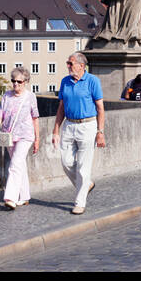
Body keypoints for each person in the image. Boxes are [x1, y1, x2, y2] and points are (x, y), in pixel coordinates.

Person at [52, 52, 105, 215]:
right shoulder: (65, 81)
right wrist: (56, 130)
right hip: (69, 125)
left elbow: (100, 108)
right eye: (68, 63)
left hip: (87, 125)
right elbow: (61, 107)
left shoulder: (92, 81)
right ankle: (86, 184)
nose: (68, 66)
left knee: (83, 167)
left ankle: (80, 202)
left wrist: (100, 132)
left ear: (81, 66)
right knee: (66, 161)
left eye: (70, 63)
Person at [0, 65, 39, 210]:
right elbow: (0, 116)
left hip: (25, 135)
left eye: (19, 81)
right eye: (13, 81)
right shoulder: (6, 96)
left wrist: (37, 139)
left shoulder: (30, 97)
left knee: (15, 164)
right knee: (20, 165)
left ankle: (10, 197)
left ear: (26, 82)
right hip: (8, 135)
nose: (15, 84)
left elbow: (35, 118)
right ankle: (24, 197)